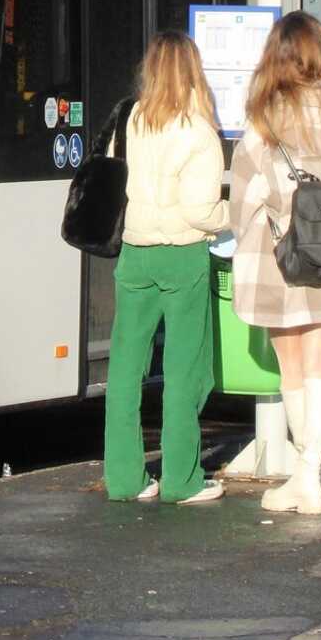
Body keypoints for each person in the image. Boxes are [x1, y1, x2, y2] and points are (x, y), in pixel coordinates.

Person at [226, 12, 321, 516]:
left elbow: (246, 199)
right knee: (320, 364)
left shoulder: (266, 117)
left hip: (279, 254)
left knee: (290, 367)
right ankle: (310, 474)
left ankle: (307, 475)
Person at [103, 31, 229, 506]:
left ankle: (125, 478)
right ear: (193, 71)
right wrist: (232, 216)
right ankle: (182, 479)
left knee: (125, 370)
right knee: (184, 371)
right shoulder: (199, 132)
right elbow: (200, 211)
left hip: (135, 253)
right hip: (182, 255)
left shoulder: (134, 118)